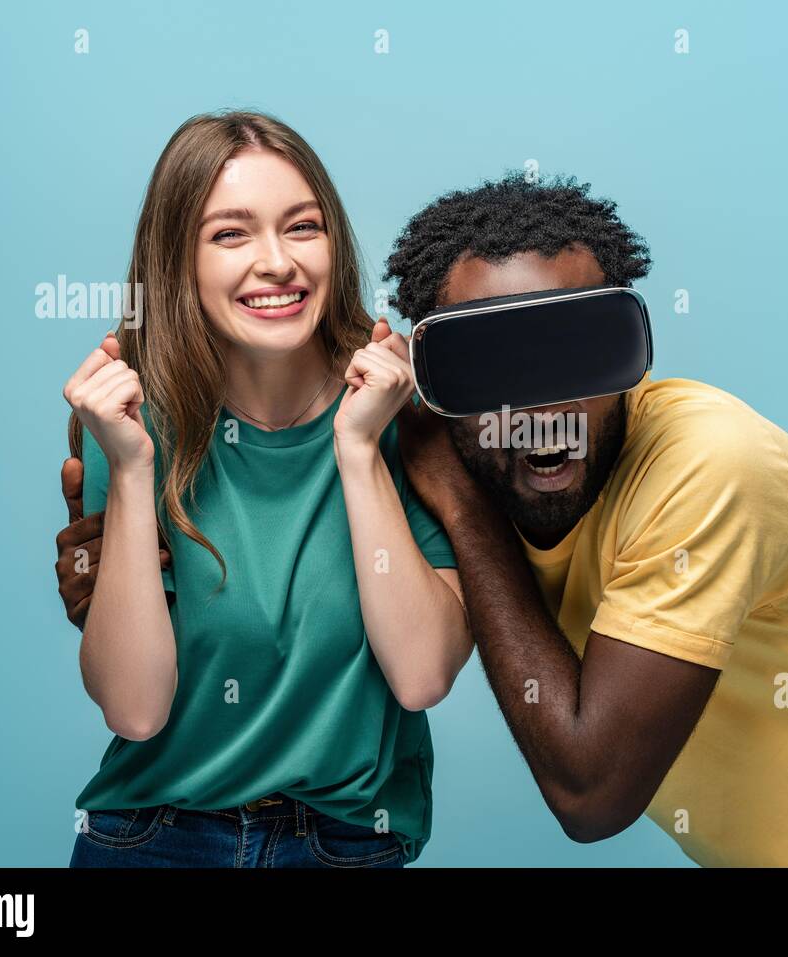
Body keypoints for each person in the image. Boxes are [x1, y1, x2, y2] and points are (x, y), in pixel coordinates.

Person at [57, 172, 788, 867]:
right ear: (443, 372)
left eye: (574, 355)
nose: (540, 409)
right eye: (498, 364)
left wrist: (455, 498)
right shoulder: (429, 443)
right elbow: (314, 600)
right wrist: (124, 578)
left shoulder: (703, 464)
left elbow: (590, 793)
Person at [59, 110, 471, 868]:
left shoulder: (403, 412)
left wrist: (357, 450)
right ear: (179, 260)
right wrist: (128, 469)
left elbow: (422, 675)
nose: (276, 262)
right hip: (153, 837)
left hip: (345, 843)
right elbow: (135, 708)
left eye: (302, 227)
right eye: (230, 234)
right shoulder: (128, 422)